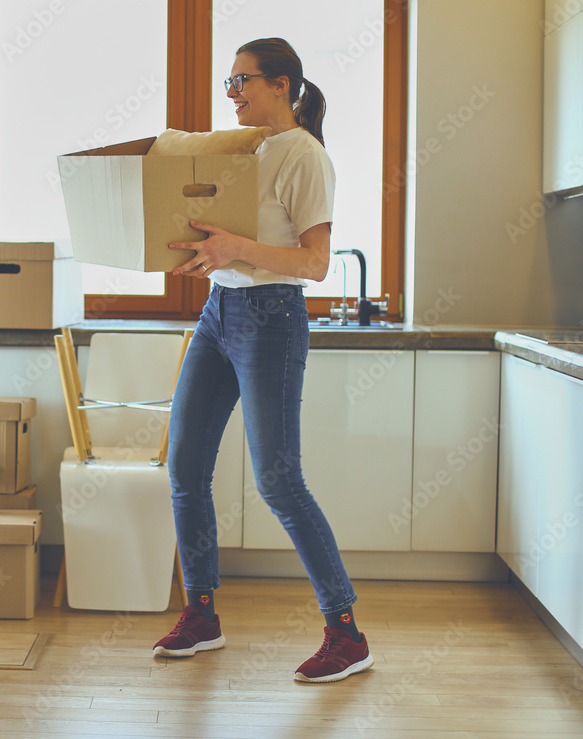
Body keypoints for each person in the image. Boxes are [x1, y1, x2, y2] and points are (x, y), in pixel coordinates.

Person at [153, 38, 374, 683]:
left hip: (271, 320)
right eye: (229, 83)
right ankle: (202, 614)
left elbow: (313, 263)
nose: (234, 93)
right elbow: (235, 244)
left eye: (243, 81)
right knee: (185, 466)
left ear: (283, 84)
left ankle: (346, 632)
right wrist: (213, 253)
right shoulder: (246, 148)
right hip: (218, 314)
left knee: (278, 481)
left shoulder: (304, 154)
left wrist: (237, 248)